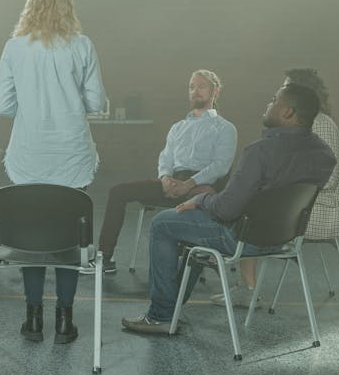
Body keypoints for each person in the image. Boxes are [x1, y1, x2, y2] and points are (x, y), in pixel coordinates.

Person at [121, 83, 336, 334]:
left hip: (244, 238)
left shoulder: (260, 152)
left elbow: (225, 211)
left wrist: (200, 200)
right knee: (191, 228)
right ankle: (172, 308)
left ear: (288, 112)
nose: (269, 104)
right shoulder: (324, 154)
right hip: (284, 239)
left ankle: (160, 316)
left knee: (163, 222)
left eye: (274, 100)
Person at [0, 0, 107, 344]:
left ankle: (33, 318)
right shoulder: (82, 46)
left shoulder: (14, 47)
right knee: (68, 238)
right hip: (72, 156)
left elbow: (2, 105)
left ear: (33, 1)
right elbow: (95, 103)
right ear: (68, 3)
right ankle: (64, 319)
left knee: (32, 238)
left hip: (28, 156)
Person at [211, 68, 339, 307]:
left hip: (321, 211)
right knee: (253, 201)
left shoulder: (319, 124)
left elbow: (328, 178)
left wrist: (277, 187)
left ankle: (245, 286)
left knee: (251, 209)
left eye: (286, 90)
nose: (280, 97)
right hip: (311, 203)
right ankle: (241, 278)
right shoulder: (313, 123)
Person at [97, 70, 237, 273]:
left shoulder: (225, 128)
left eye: (201, 87)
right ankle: (104, 258)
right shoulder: (177, 127)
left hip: (200, 185)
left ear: (215, 92)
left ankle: (197, 257)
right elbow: (166, 156)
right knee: (118, 191)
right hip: (172, 180)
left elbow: (220, 166)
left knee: (204, 197)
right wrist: (165, 178)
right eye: (191, 87)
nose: (195, 91)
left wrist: (188, 184)